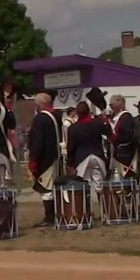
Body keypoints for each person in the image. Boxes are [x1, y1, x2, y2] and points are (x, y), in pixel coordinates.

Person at [27, 92, 62, 228]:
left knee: (46, 189)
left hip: (45, 159)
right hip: (55, 156)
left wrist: (34, 161)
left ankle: (50, 217)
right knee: (52, 188)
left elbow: (37, 141)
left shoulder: (41, 119)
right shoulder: (56, 116)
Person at [66, 100, 110, 193]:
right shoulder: (98, 123)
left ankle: (86, 206)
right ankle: (103, 206)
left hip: (81, 158)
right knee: (100, 185)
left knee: (83, 187)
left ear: (77, 113)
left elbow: (70, 148)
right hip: (97, 156)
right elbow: (108, 133)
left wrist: (70, 164)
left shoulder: (73, 128)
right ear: (88, 110)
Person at [108, 94, 136, 179]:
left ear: (121, 104)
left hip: (125, 151)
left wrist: (116, 139)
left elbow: (127, 135)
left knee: (125, 175)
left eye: (113, 104)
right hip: (116, 150)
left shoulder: (126, 116)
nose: (111, 106)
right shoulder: (115, 116)